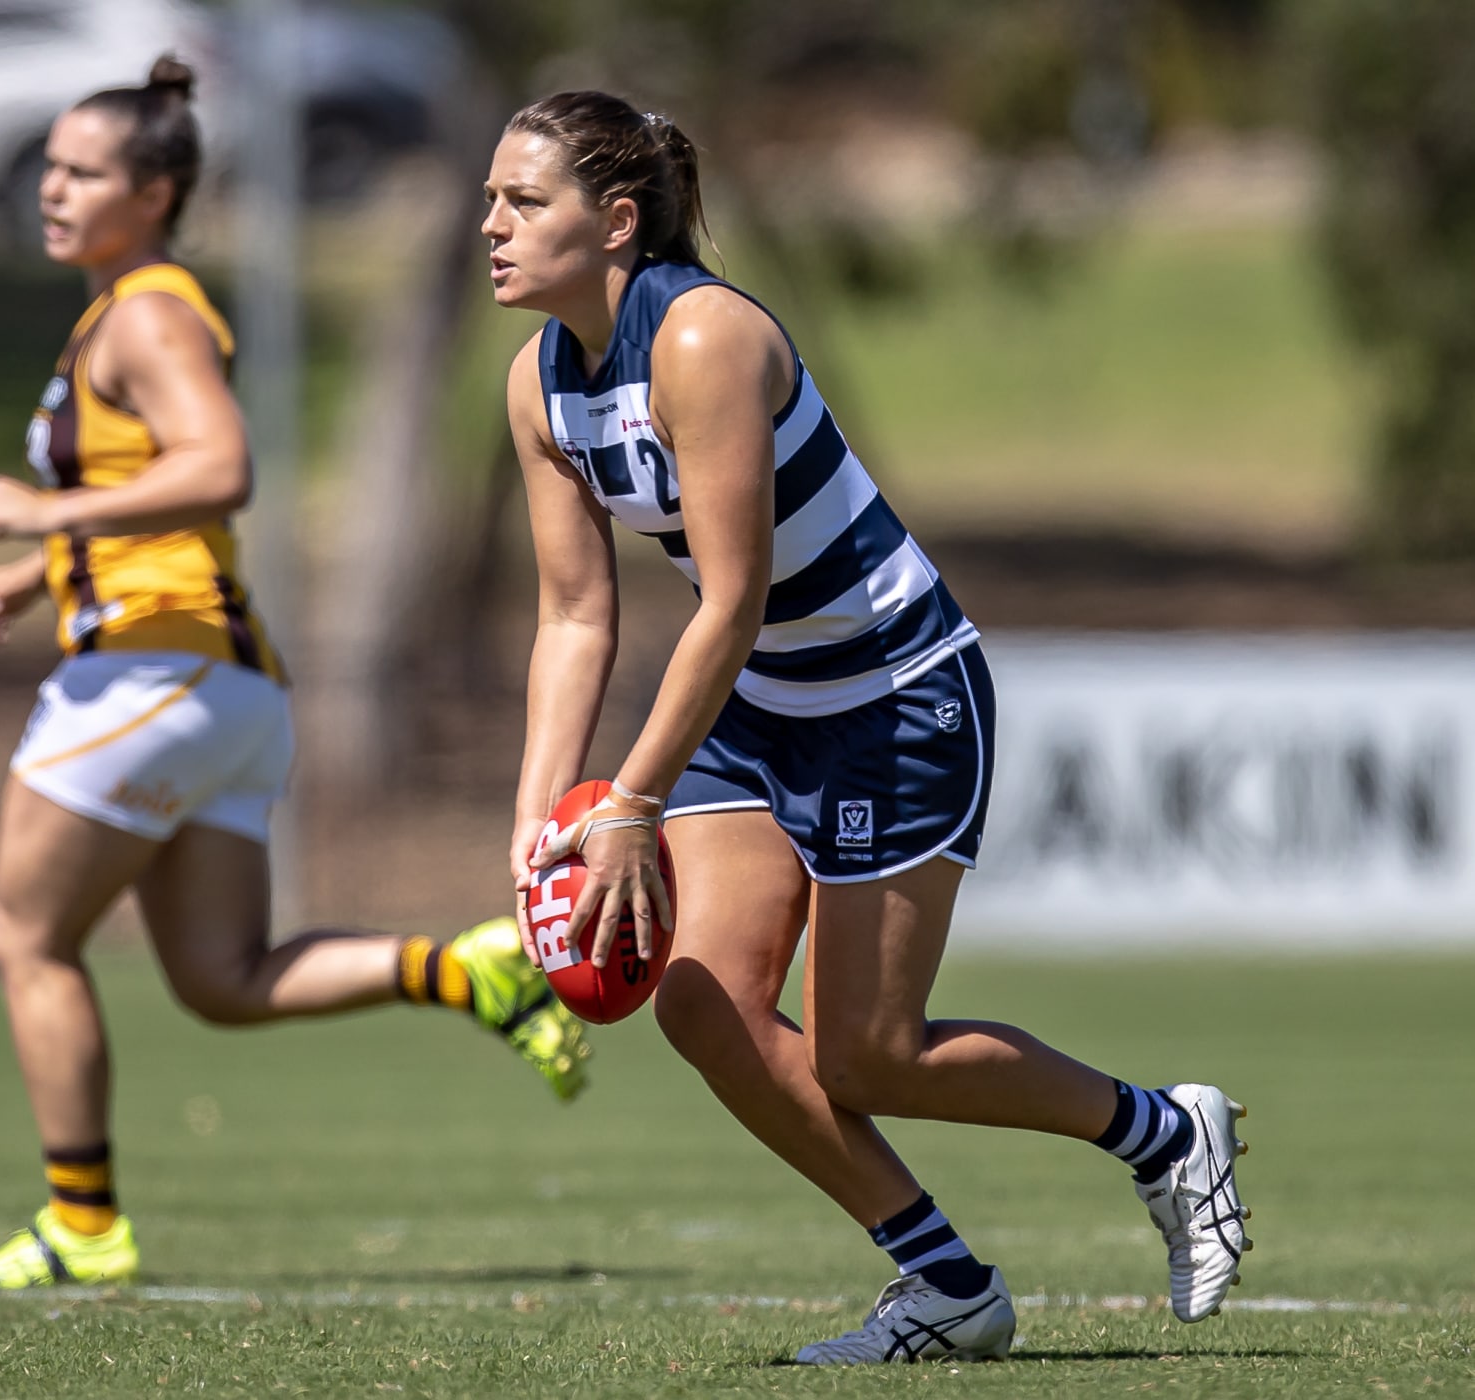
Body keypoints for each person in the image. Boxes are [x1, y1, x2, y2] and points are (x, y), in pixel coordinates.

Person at [484, 90, 1251, 1364]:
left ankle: (1167, 1133)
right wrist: (539, 811)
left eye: (524, 201)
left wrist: (626, 802)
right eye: (491, 200)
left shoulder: (702, 340)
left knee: (871, 1056)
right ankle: (944, 1284)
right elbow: (573, 613)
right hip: (760, 704)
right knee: (702, 1002)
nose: (492, 226)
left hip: (895, 696)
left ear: (616, 221)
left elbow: (729, 598)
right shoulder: (539, 385)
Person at [0, 57, 592, 1291]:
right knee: (224, 979)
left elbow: (219, 465)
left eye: (84, 171)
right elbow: (167, 502)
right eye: (52, 167)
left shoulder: (146, 311)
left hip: (148, 679)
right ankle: (465, 967)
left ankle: (81, 1222)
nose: (54, 188)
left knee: (28, 939)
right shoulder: (125, 311)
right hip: (227, 689)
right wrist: (41, 572)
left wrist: (38, 513)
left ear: (159, 188)